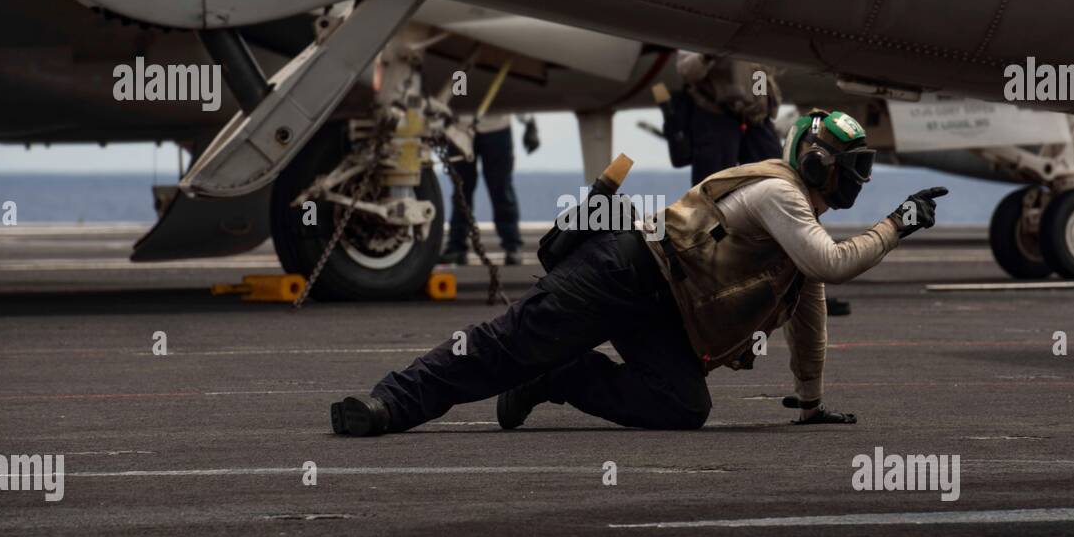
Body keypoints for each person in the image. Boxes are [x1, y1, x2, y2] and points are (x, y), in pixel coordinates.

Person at [328, 109, 947, 436]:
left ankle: (559, 377)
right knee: (507, 345)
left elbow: (808, 305)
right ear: (815, 165)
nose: (859, 179)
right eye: (852, 166)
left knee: (683, 406)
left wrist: (810, 404)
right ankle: (387, 404)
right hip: (625, 267)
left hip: (665, 306)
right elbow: (829, 266)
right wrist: (898, 224)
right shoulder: (780, 196)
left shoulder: (796, 220)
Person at [441, 112, 539, 266]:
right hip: (459, 130)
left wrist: (529, 122)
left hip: (496, 128)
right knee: (461, 192)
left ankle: (512, 245)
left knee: (501, 189)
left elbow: (511, 89)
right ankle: (456, 247)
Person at [676, 52, 784, 186]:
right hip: (718, 118)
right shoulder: (701, 32)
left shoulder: (755, 39)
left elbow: (761, 71)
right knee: (714, 185)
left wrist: (759, 103)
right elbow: (687, 70)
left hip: (756, 120)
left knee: (776, 176)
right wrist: (708, 55)